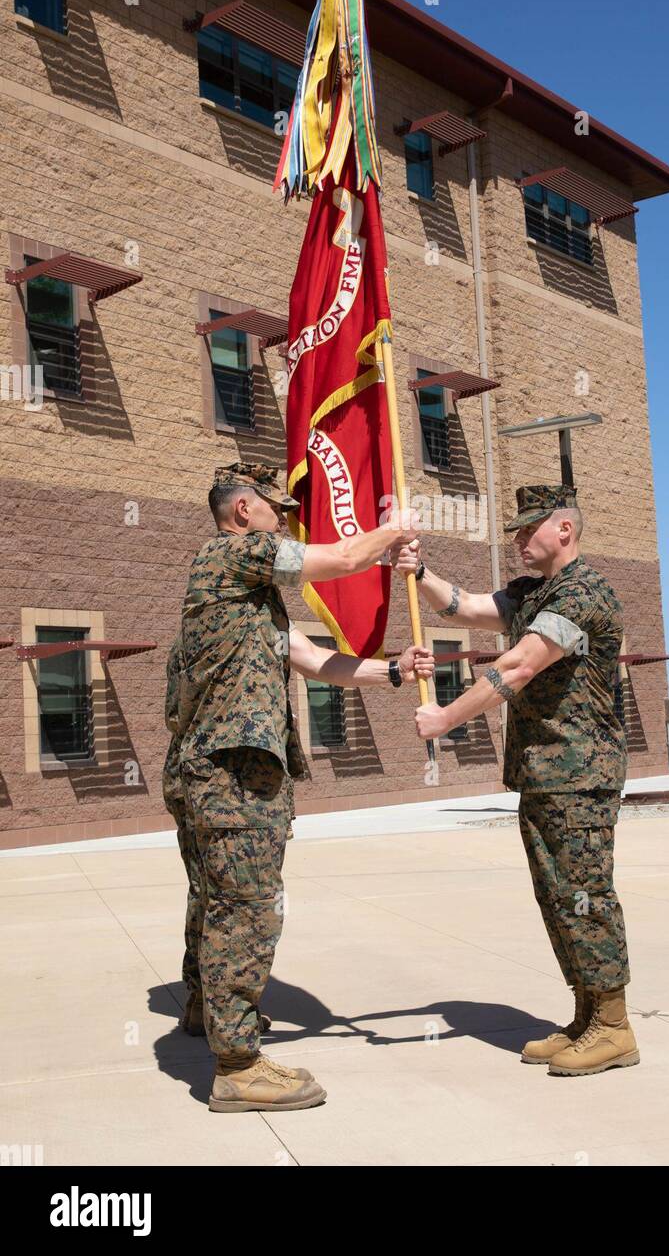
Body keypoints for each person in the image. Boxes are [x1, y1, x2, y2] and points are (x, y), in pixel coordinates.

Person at [170, 461, 430, 1113]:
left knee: (216, 901)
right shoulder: (231, 555)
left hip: (219, 771)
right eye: (274, 510)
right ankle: (236, 1066)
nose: (284, 521)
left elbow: (314, 660)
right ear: (242, 513)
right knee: (246, 909)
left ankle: (207, 1012)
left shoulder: (248, 596)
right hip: (231, 774)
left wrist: (392, 671)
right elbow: (343, 557)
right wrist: (392, 529)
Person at [393, 483, 639, 1078]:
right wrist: (418, 570)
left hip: (580, 772)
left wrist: (447, 718)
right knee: (556, 893)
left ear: (564, 530)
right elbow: (466, 608)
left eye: (529, 529)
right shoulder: (536, 592)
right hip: (545, 770)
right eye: (514, 529)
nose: (517, 539)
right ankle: (586, 1015)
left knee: (584, 894)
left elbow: (519, 665)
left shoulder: (583, 594)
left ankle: (614, 1025)